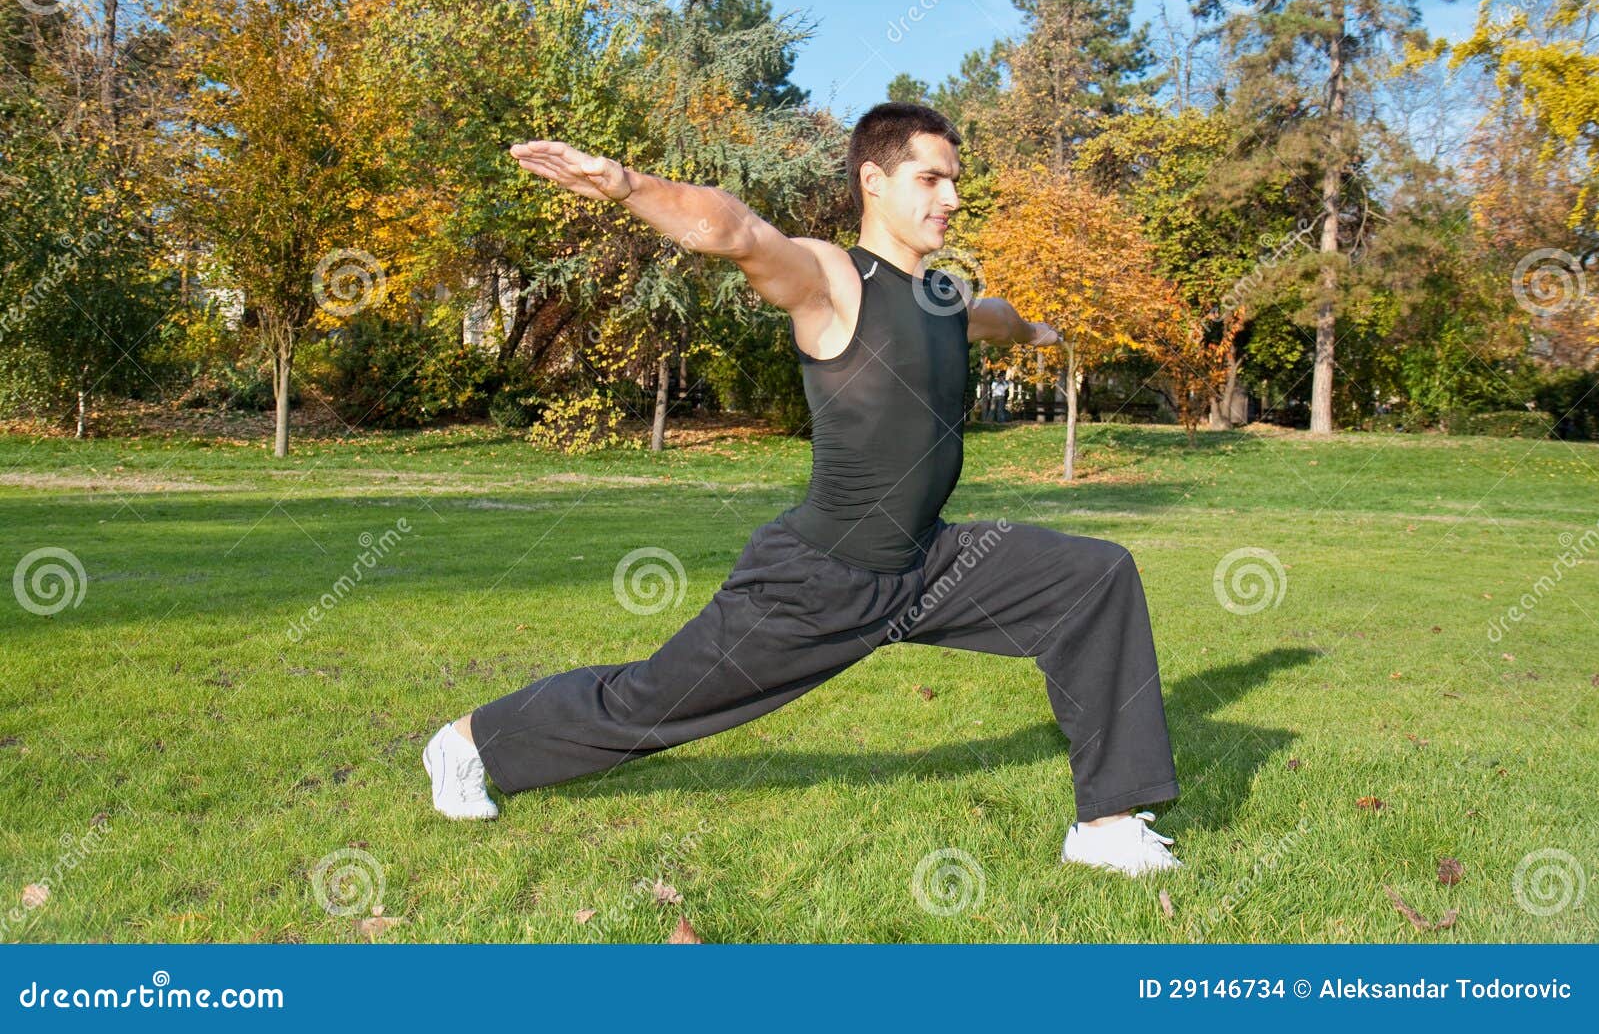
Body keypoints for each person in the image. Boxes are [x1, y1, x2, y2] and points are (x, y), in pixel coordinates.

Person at [422, 102, 1184, 877]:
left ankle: (1107, 824)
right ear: (874, 181)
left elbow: (994, 318)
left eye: (954, 180)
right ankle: (466, 743)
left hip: (931, 563)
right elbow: (736, 230)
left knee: (1098, 576)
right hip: (819, 578)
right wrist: (625, 184)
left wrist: (1035, 333)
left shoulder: (946, 300)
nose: (951, 197)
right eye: (931, 178)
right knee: (646, 702)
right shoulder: (831, 279)